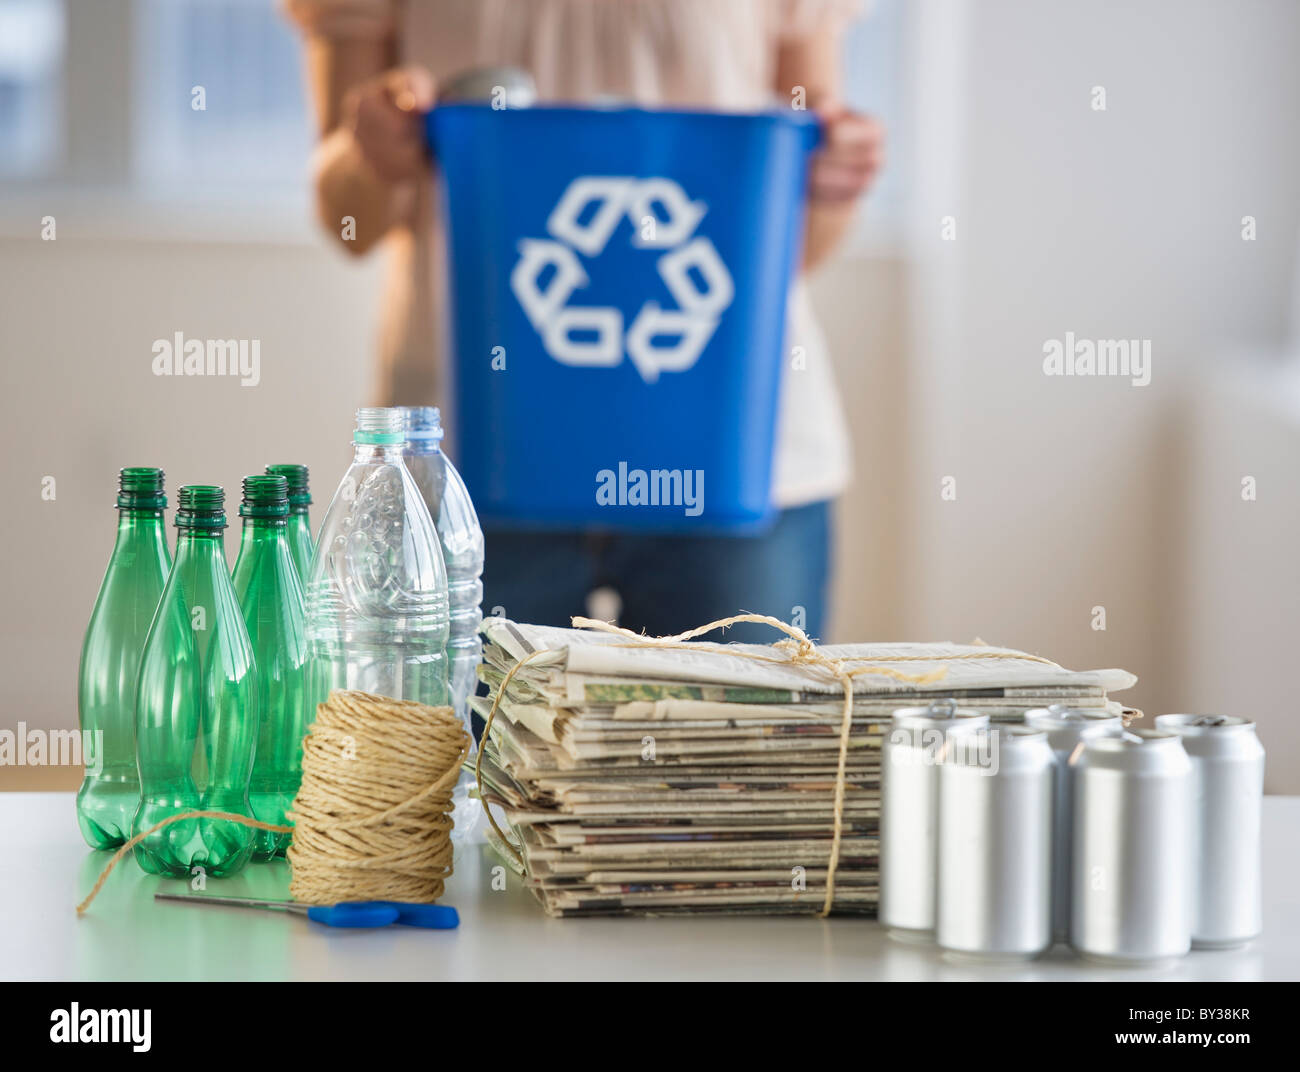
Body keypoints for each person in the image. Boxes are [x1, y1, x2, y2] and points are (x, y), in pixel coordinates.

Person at [284, 0, 883, 643]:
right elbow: (349, 222)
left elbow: (799, 247)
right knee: (464, 743)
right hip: (472, 457)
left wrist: (832, 178)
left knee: (730, 742)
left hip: (735, 458)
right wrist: (375, 150)